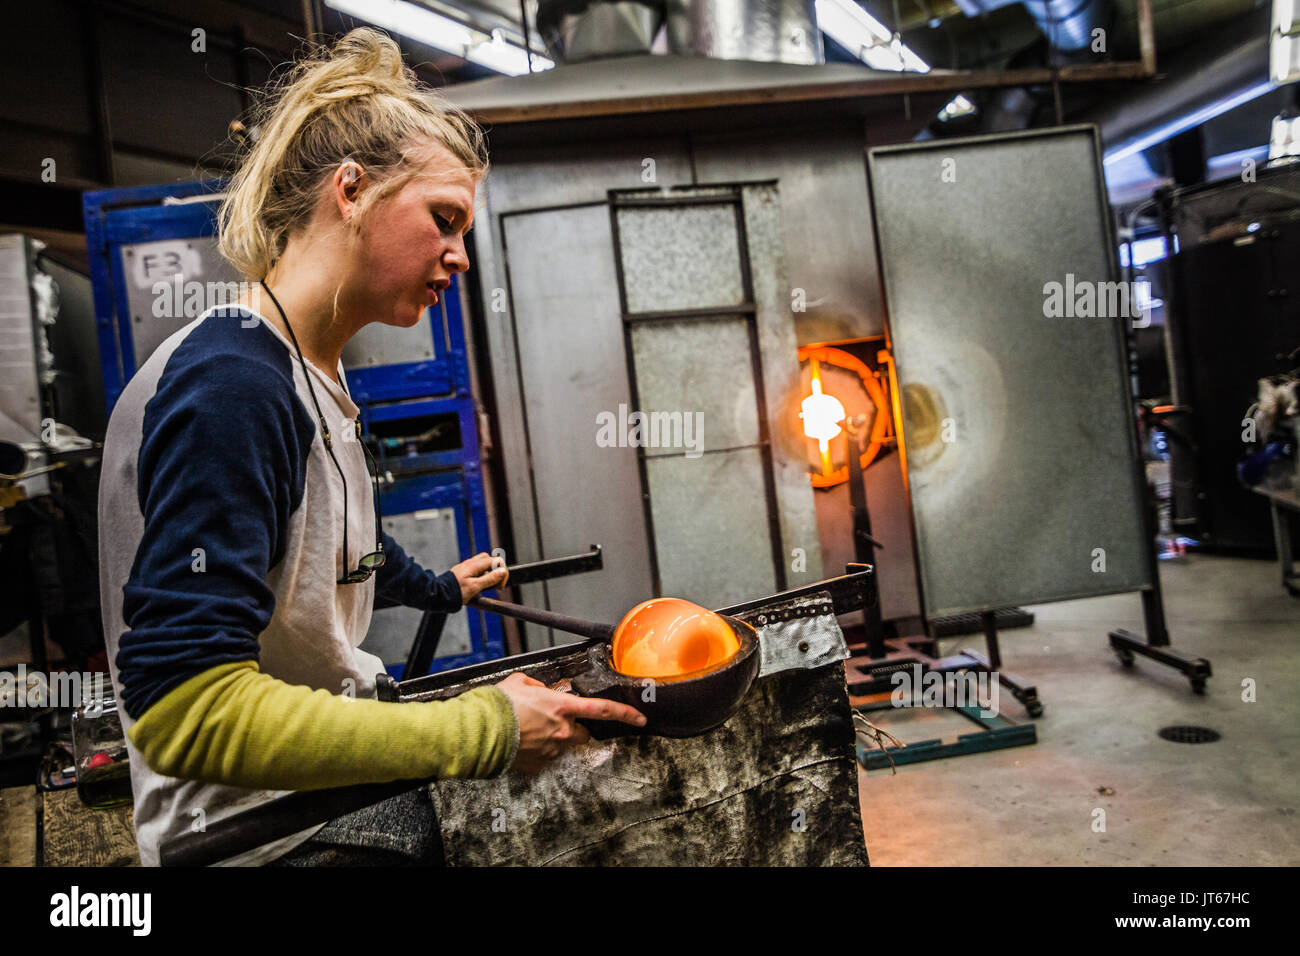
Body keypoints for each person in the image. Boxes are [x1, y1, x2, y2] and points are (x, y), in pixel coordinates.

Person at [97, 27, 644, 867]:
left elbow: (329, 541)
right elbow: (184, 710)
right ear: (350, 190)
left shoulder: (304, 372)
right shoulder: (233, 386)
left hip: (304, 806)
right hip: (263, 838)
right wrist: (478, 728)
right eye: (445, 218)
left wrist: (438, 588)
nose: (459, 254)